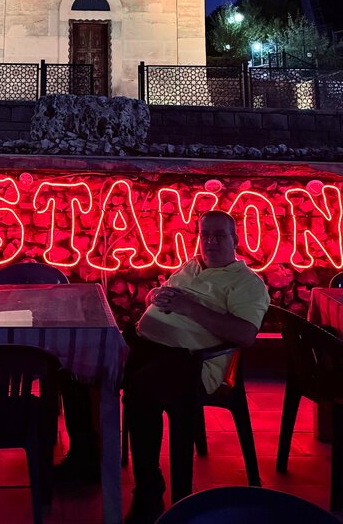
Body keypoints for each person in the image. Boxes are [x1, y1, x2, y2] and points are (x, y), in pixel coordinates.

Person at [122, 209, 270, 524]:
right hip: (149, 345)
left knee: (139, 394)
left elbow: (245, 335)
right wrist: (156, 296)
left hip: (192, 361)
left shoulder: (247, 283)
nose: (211, 241)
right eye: (205, 235)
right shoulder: (191, 266)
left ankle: (150, 490)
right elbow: (170, 299)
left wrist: (188, 306)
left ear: (235, 239)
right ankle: (85, 455)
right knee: (85, 364)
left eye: (219, 235)